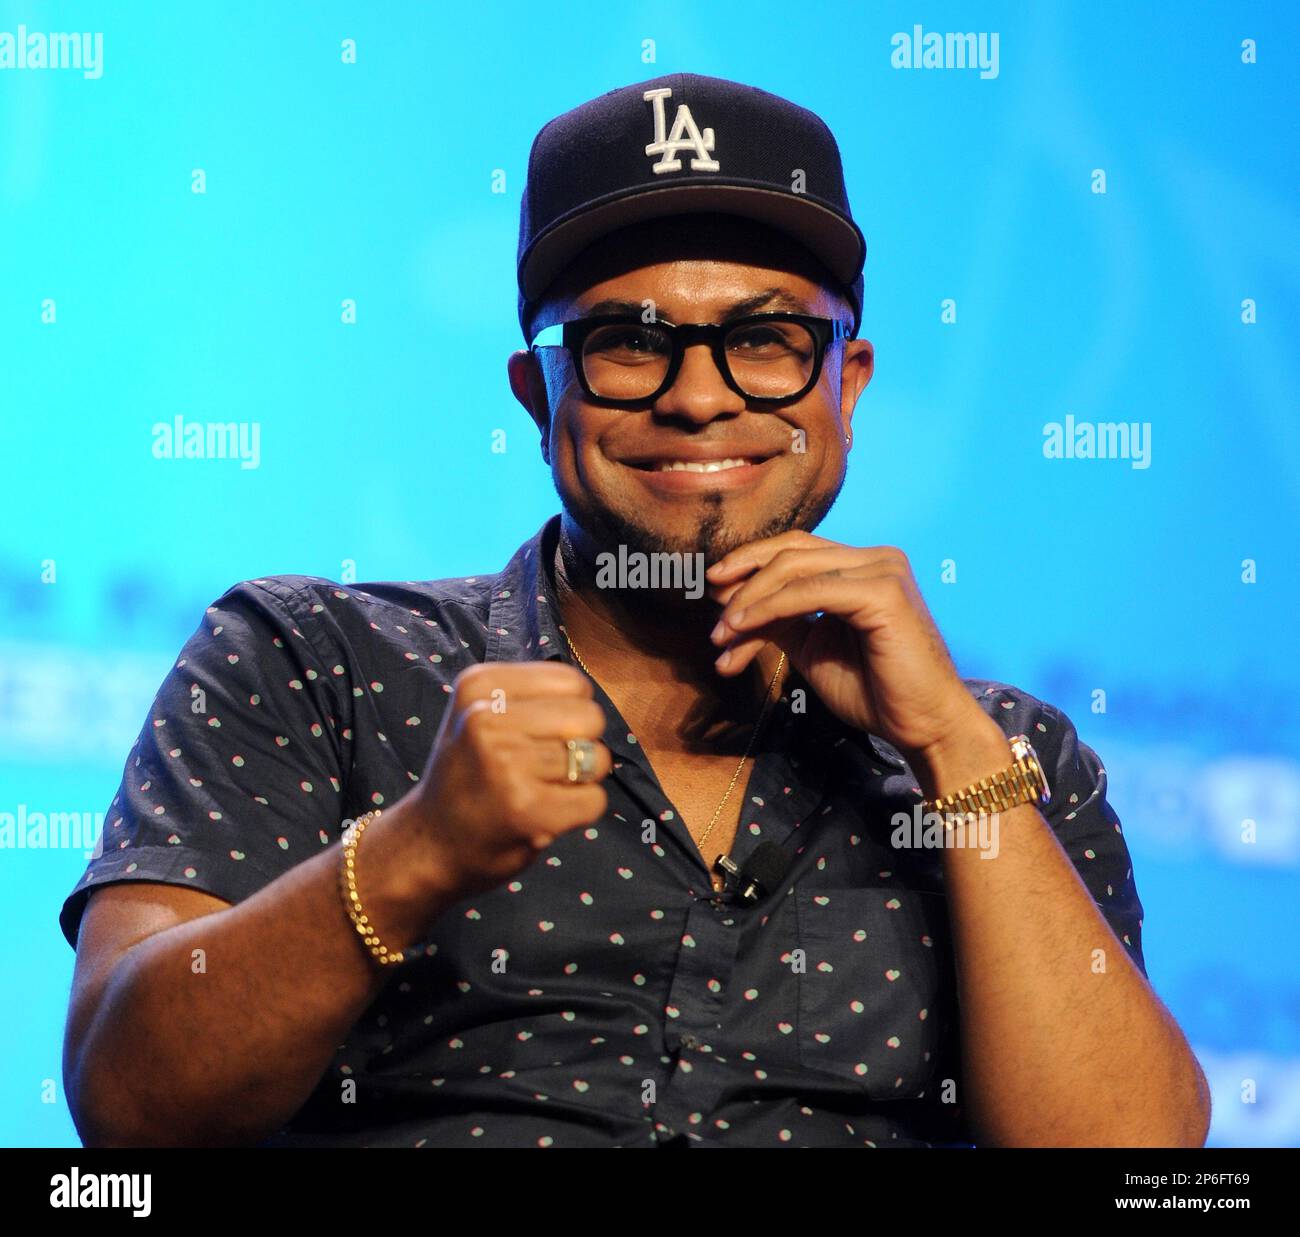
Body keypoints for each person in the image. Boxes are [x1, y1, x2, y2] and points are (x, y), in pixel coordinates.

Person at [59, 72, 1210, 1148]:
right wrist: (415, 853)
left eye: (764, 341)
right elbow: (130, 1101)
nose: (699, 397)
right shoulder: (311, 660)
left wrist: (953, 750)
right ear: (538, 391)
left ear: (845, 386)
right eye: (626, 344)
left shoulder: (1008, 755)